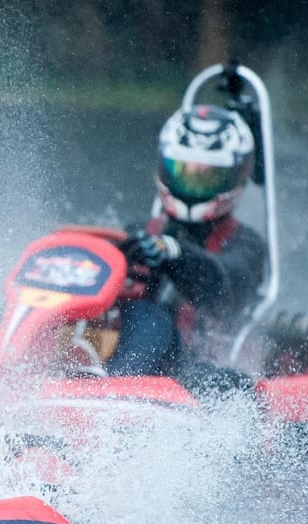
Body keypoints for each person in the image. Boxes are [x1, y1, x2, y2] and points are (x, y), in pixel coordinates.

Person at [106, 105, 267, 399]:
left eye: (205, 178)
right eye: (183, 173)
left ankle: (114, 395)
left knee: (150, 319)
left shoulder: (248, 245)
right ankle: (8, 360)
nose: (192, 188)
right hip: (126, 355)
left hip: (198, 369)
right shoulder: (142, 229)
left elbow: (222, 290)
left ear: (234, 179)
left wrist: (173, 254)